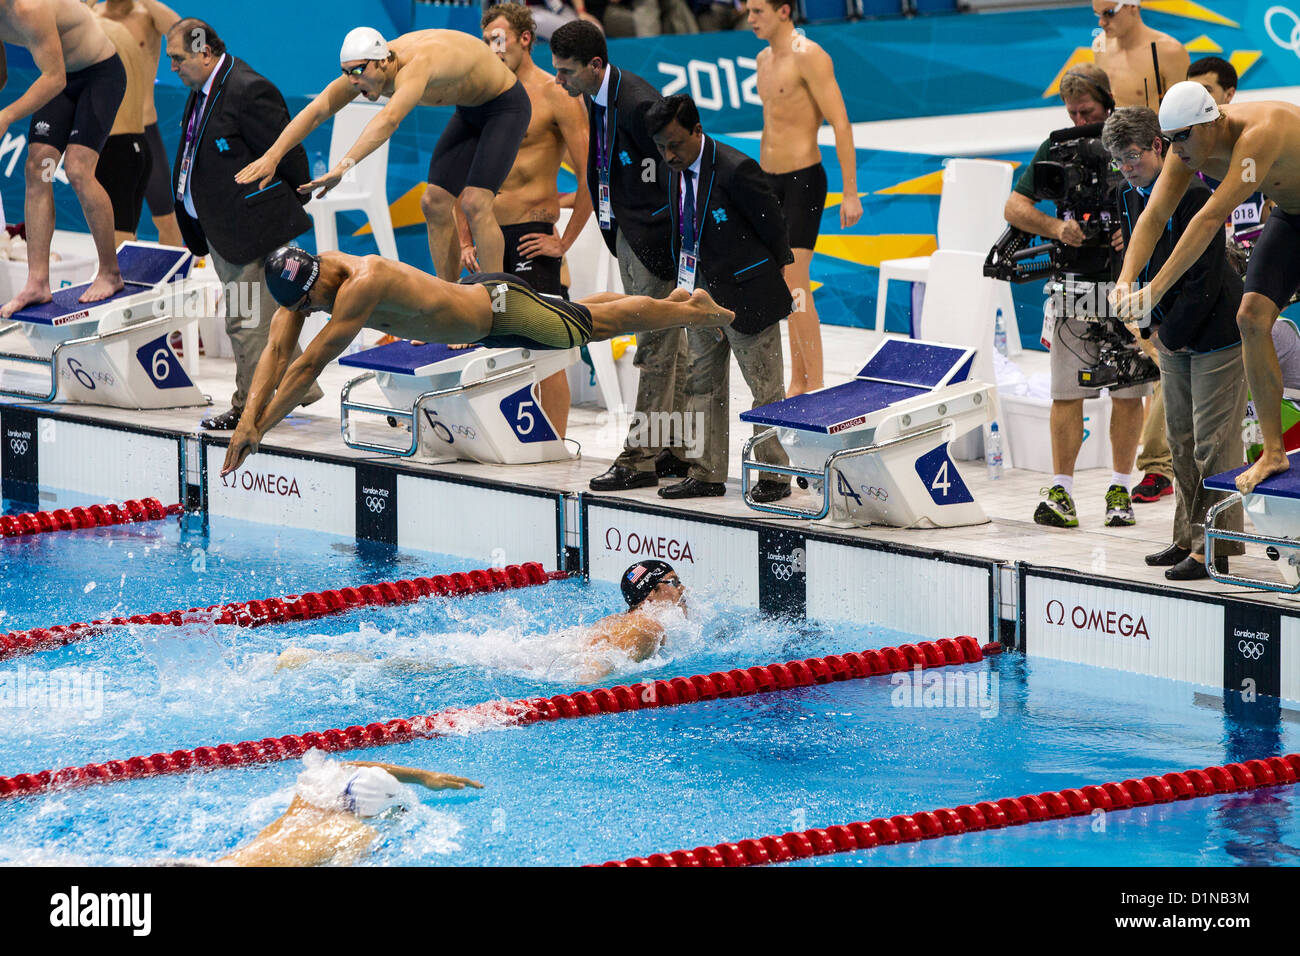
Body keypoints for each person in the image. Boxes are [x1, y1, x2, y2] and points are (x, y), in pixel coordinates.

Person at [219, 247, 733, 475]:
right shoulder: (305, 285)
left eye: (314, 300)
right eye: (306, 306)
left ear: (319, 277)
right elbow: (276, 350)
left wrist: (257, 430)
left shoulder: (361, 282)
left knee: (600, 326)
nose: (314, 307)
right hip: (486, 311)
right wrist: (248, 421)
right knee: (582, 314)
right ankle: (683, 304)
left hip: (498, 313)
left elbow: (307, 366)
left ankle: (686, 310)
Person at [1111, 82, 1300, 494]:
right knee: (1250, 318)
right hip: (1293, 216)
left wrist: (1155, 289)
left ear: (1212, 122)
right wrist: (1126, 280)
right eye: (1170, 140)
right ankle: (1273, 452)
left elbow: (1210, 219)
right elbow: (1153, 216)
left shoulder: (1258, 134)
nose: (1176, 150)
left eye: (1182, 138)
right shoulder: (1188, 147)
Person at [235, 27, 528, 281]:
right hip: (470, 112)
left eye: (359, 71)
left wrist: (343, 166)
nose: (352, 81)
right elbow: (317, 110)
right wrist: (273, 156)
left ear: (385, 62)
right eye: (346, 73)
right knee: (434, 203)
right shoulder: (365, 70)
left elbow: (388, 120)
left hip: (505, 106)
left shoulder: (417, 64)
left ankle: (498, 303)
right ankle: (452, 302)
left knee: (476, 203)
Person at [1103, 107, 1245, 580]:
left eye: (1132, 156)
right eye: (1118, 159)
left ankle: (1216, 547)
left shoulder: (1194, 191)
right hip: (1171, 332)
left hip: (1215, 334)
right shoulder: (1130, 195)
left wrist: (1166, 334)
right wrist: (1147, 327)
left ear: (1159, 147)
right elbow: (1141, 265)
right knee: (1180, 442)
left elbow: (1203, 277)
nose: (1126, 167)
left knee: (1213, 445)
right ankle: (1186, 537)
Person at [1004, 64, 1147, 529]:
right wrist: (1055, 228)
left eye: (1085, 107)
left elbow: (1169, 195)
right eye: (1071, 108)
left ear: (1107, 101)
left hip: (1127, 284)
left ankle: (1120, 490)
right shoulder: (1057, 146)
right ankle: (1061, 490)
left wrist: (1136, 230)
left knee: (1129, 390)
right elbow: (1014, 206)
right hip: (1073, 284)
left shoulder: (1133, 136)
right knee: (1066, 394)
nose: (1077, 115)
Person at [551, 20, 691, 491]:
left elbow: (682, 166)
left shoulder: (637, 101)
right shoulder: (596, 95)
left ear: (595, 65)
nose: (558, 81)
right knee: (669, 345)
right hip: (629, 231)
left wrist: (665, 237)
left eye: (566, 71)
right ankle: (676, 447)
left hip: (653, 238)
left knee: (655, 347)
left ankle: (641, 457)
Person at [165, 18, 322, 431]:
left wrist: (298, 192)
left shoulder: (247, 88)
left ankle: (246, 410)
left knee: (245, 319)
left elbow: (286, 145)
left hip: (250, 226)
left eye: (178, 58)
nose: (172, 68)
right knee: (263, 317)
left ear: (204, 51)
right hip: (224, 227)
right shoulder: (203, 89)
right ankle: (295, 387)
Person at [647, 94, 793, 502]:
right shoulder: (670, 169)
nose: (669, 154)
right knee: (701, 384)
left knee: (765, 389)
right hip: (699, 295)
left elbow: (775, 228)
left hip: (747, 296)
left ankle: (774, 476)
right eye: (661, 147)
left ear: (697, 130)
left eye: (675, 143)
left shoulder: (735, 169)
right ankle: (706, 472)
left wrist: (766, 277)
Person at [465, 4, 594, 438]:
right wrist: (465, 239)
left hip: (530, 237)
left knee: (544, 351)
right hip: (488, 239)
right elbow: (459, 177)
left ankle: (553, 445)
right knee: (493, 344)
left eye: (498, 39)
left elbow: (591, 175)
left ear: (524, 39)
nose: (492, 49)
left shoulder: (555, 93)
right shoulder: (483, 96)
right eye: (486, 41)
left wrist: (563, 243)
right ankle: (511, 441)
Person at [277, 561, 688, 683]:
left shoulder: (631, 619)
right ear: (651, 595)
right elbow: (598, 662)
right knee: (432, 667)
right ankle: (318, 660)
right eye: (673, 582)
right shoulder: (647, 626)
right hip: (546, 662)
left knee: (436, 663)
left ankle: (321, 658)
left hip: (543, 650)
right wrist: (577, 692)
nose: (682, 587)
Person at [749, 0, 862, 397]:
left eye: (758, 11)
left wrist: (850, 192)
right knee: (784, 285)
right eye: (748, 11)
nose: (750, 19)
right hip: (769, 181)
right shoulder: (763, 59)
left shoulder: (810, 55)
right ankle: (797, 380)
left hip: (803, 180)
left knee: (797, 284)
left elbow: (841, 122)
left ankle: (815, 385)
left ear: (783, 11)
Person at [0, 0, 126, 318]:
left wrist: (6, 116)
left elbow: (53, 78)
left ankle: (110, 272)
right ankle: (37, 282)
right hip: (62, 79)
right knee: (38, 167)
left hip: (99, 75)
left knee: (78, 170)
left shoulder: (30, 8)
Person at [214, 752, 481, 867]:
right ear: (370, 813)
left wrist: (421, 776)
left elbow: (346, 768)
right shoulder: (355, 833)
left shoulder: (306, 803)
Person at [90, 0, 183, 246]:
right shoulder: (92, 14)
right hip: (106, 131)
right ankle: (121, 274)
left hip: (143, 128)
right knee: (117, 221)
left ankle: (175, 280)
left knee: (165, 218)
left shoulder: (147, 16)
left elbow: (181, 29)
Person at [92, 17, 151, 244]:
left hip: (115, 148)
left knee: (116, 244)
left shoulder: (90, 30)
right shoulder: (121, 29)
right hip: (138, 144)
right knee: (127, 238)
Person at [1091, 0, 1188, 109]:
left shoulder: (1169, 51)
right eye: (1098, 14)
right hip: (1111, 125)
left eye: (1109, 13)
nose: (1101, 22)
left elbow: (1182, 110)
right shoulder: (1100, 44)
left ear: (1132, 6)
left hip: (1150, 125)